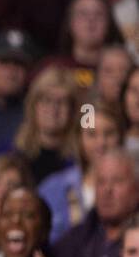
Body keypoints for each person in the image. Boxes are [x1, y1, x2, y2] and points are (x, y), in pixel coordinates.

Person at [51, 147, 139, 257]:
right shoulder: (71, 242)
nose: (107, 190)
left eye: (117, 181)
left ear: (136, 189)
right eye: (101, 182)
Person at [39, 101, 122, 244]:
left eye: (109, 134)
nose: (101, 143)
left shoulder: (132, 189)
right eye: (92, 134)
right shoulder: (54, 187)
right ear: (79, 139)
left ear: (120, 137)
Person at [14, 65, 79, 183]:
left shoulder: (80, 160)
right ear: (34, 106)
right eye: (47, 100)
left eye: (62, 102)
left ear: (73, 111)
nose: (54, 109)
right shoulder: (14, 157)